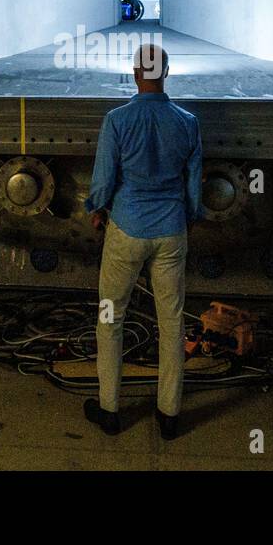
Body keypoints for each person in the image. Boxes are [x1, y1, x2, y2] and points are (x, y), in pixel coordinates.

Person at [82, 42, 203, 440]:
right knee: (171, 323)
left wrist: (97, 208)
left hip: (127, 228)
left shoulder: (117, 120)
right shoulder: (188, 122)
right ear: (165, 72)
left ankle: (110, 409)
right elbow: (193, 189)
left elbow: (103, 179)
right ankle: (169, 415)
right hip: (170, 230)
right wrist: (185, 219)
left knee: (110, 318)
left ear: (135, 73)